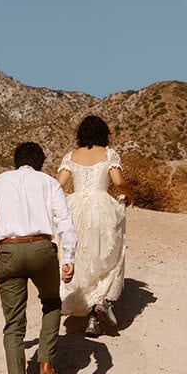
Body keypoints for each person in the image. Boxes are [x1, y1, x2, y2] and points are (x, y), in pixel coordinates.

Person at [0, 142, 77, 374]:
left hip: (8, 249)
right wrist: (69, 258)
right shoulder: (48, 182)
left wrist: (0, 248)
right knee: (52, 302)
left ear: (15, 160)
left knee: (14, 324)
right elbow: (65, 222)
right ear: (41, 161)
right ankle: (45, 363)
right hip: (42, 249)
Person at [57, 115, 130, 335]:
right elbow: (118, 182)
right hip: (102, 208)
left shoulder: (71, 156)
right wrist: (129, 194)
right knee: (107, 255)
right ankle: (97, 308)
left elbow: (58, 184)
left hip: (76, 207)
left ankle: (83, 305)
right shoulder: (109, 154)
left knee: (79, 255)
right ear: (103, 133)